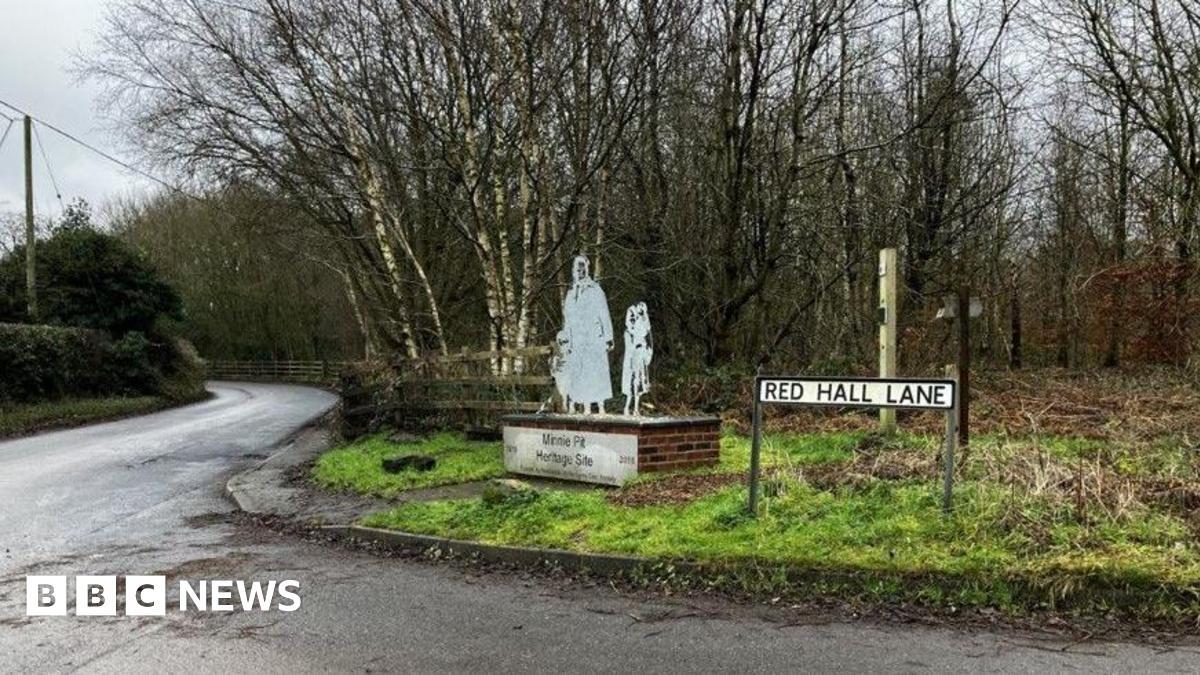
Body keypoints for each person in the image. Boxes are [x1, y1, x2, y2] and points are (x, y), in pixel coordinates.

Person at [561, 255, 613, 414]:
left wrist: (608, 337)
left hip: (593, 338)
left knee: (595, 372)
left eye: (582, 267)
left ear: (587, 269)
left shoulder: (595, 290)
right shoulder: (570, 294)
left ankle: (600, 406)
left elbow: (604, 314)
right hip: (577, 340)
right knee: (579, 372)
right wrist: (567, 342)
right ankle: (584, 406)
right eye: (577, 268)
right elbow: (567, 320)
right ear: (573, 271)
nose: (579, 271)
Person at [621, 302, 653, 416]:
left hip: (640, 354)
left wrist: (644, 314)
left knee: (639, 382)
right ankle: (627, 407)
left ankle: (635, 408)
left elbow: (647, 328)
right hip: (633, 356)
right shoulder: (629, 332)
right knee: (633, 382)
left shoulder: (642, 328)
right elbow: (631, 329)